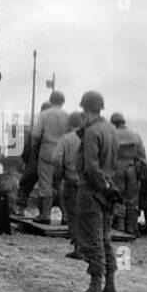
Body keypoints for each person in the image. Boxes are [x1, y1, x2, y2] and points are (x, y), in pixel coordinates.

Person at [73, 91, 119, 292]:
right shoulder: (111, 129)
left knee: (92, 240)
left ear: (84, 109)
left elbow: (91, 167)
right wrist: (108, 187)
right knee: (105, 238)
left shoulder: (91, 132)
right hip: (108, 190)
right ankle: (110, 285)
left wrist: (100, 185)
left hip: (91, 190)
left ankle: (95, 287)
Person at [31, 91, 70, 223]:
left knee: (45, 183)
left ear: (50, 100)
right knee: (61, 184)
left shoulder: (45, 114)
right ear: (63, 101)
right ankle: (65, 216)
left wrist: (34, 150)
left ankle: (45, 215)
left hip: (47, 149)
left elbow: (36, 134)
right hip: (63, 150)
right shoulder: (67, 116)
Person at [53, 111, 86, 259]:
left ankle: (78, 248)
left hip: (72, 180)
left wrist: (58, 177)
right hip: (88, 183)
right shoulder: (89, 139)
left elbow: (57, 159)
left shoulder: (65, 139)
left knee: (73, 215)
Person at [110, 112, 146, 237]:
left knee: (118, 197)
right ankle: (131, 228)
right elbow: (142, 156)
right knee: (133, 199)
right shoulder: (135, 135)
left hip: (117, 167)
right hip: (132, 168)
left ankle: (119, 227)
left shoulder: (112, 134)